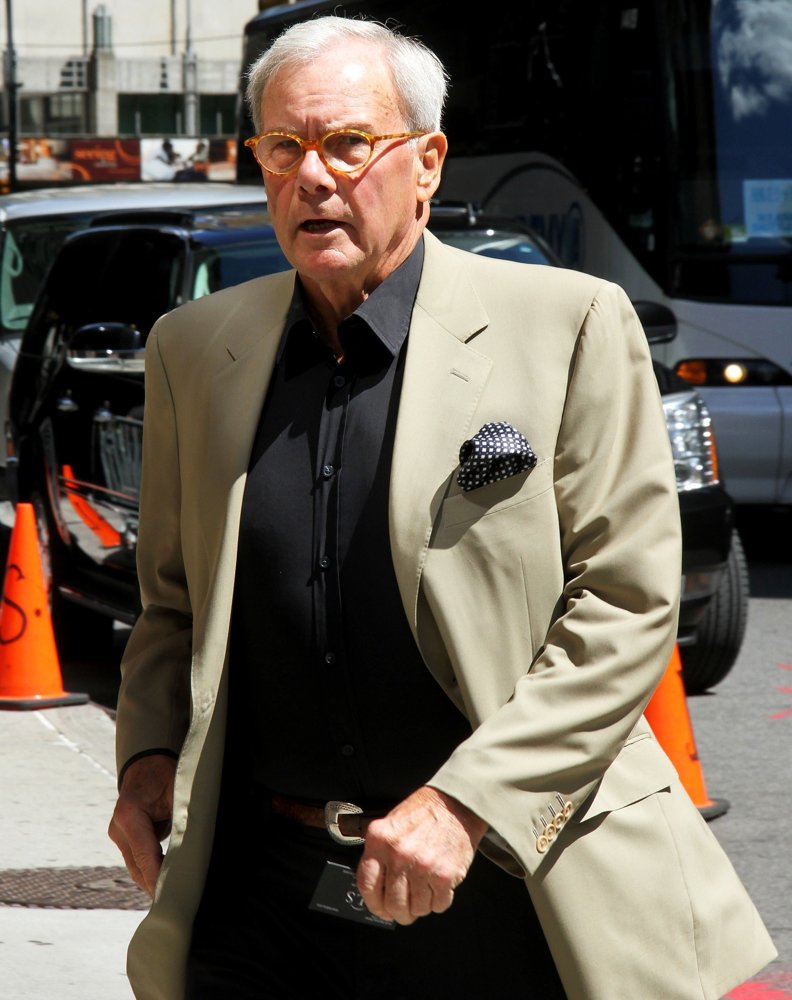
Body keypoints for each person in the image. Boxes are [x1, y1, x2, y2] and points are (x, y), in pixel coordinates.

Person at [109, 15, 776, 1000]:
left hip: (500, 879)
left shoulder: (570, 326)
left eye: (347, 143)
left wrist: (465, 805)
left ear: (426, 164)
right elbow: (173, 603)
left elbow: (625, 607)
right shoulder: (194, 350)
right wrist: (146, 757)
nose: (313, 177)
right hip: (263, 896)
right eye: (281, 147)